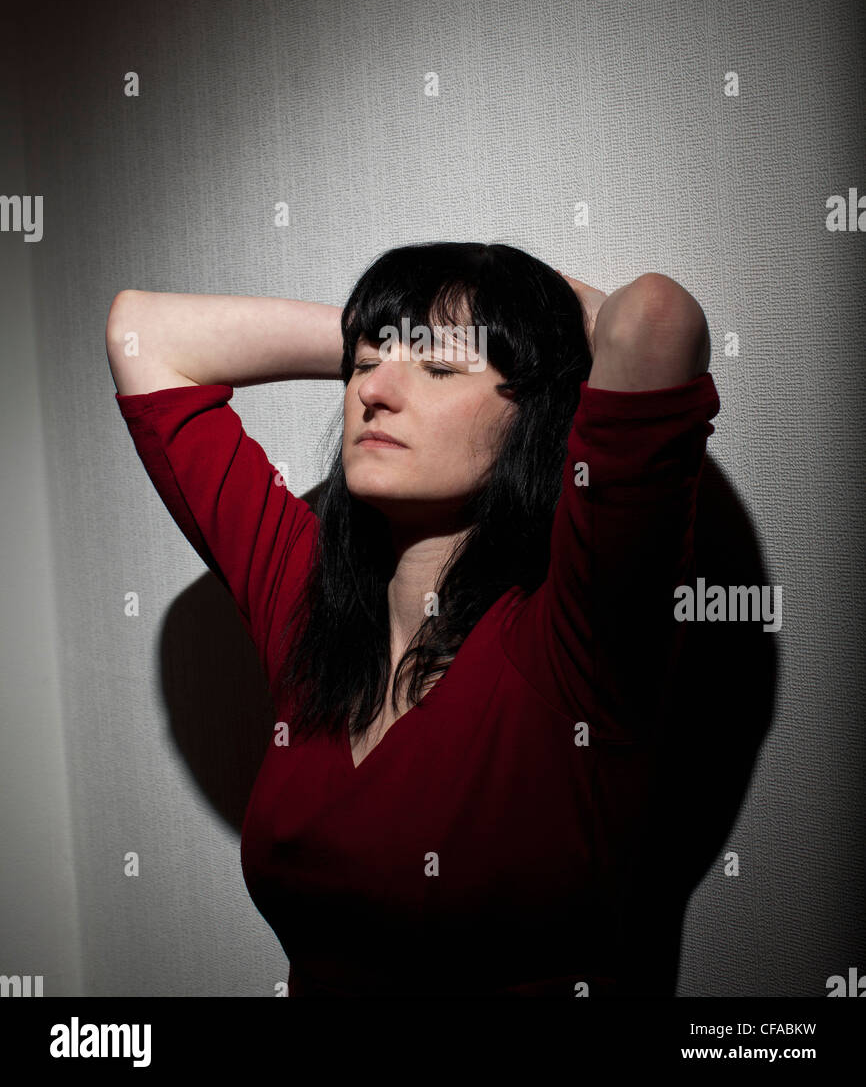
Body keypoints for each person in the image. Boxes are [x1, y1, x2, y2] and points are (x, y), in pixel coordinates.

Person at [106, 241, 719, 997]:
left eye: (438, 369)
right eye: (364, 364)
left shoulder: (576, 641)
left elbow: (654, 321)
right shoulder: (304, 606)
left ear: (535, 413)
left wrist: (539, 329)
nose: (374, 390)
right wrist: (390, 332)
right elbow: (142, 333)